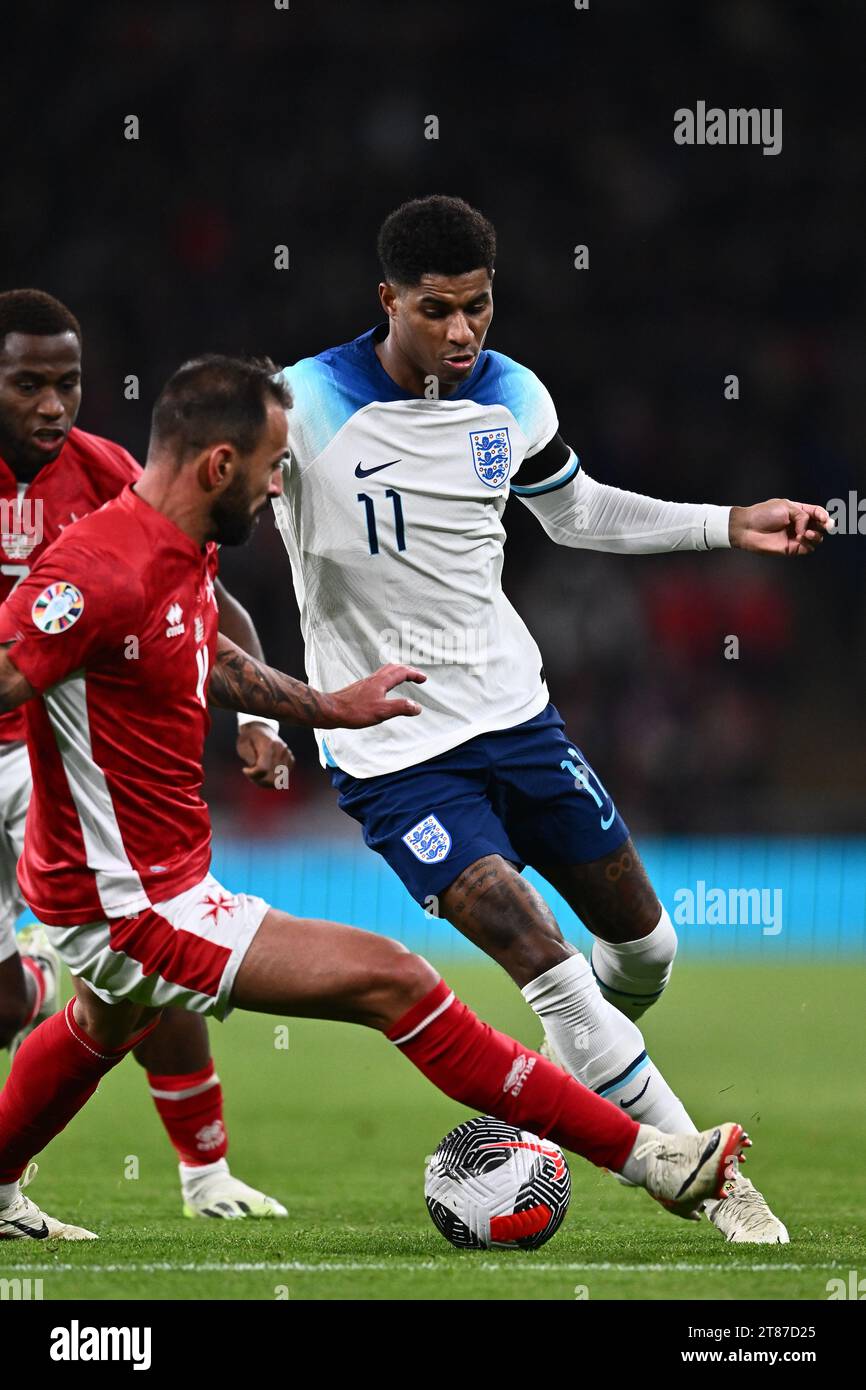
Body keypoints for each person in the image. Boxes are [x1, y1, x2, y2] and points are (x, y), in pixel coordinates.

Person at [0, 353, 748, 1241]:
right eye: (276, 465)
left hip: (150, 879)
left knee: (102, 1021)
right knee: (395, 981)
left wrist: (325, 708)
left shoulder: (177, 542)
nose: (284, 482)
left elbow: (211, 652)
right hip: (131, 900)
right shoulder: (93, 571)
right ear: (218, 466)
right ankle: (651, 1160)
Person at [271, 195, 831, 1243]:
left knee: (645, 953)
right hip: (391, 750)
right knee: (540, 953)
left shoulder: (512, 396)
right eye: (435, 309)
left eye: (477, 308)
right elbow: (201, 534)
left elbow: (573, 513)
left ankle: (589, 1071)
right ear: (385, 300)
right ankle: (694, 1176)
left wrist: (723, 521)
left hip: (515, 718)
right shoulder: (297, 403)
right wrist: (266, 705)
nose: (459, 333)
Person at [0, 288, 290, 1220]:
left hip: (53, 761)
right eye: (28, 385)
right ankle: (41, 976)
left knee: (154, 959)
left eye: (68, 384)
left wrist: (261, 716)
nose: (53, 405)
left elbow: (205, 591)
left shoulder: (108, 476)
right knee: (14, 1007)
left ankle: (204, 1171)